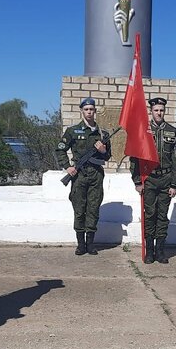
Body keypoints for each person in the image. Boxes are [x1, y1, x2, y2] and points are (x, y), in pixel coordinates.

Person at [54, 97, 112, 255]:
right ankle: (80, 244)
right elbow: (60, 149)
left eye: (91, 109)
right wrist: (67, 167)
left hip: (96, 175)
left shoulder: (103, 134)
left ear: (95, 111)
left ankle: (90, 244)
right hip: (79, 175)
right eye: (86, 109)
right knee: (79, 209)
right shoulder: (73, 131)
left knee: (93, 209)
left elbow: (108, 157)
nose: (89, 112)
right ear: (82, 111)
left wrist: (102, 151)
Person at [132, 97, 176, 264]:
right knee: (150, 215)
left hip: (166, 178)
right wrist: (137, 181)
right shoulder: (143, 131)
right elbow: (135, 158)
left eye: (161, 110)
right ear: (151, 111)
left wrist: (175, 184)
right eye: (156, 110)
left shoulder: (172, 132)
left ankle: (160, 250)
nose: (159, 113)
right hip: (149, 179)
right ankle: (149, 250)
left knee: (162, 215)